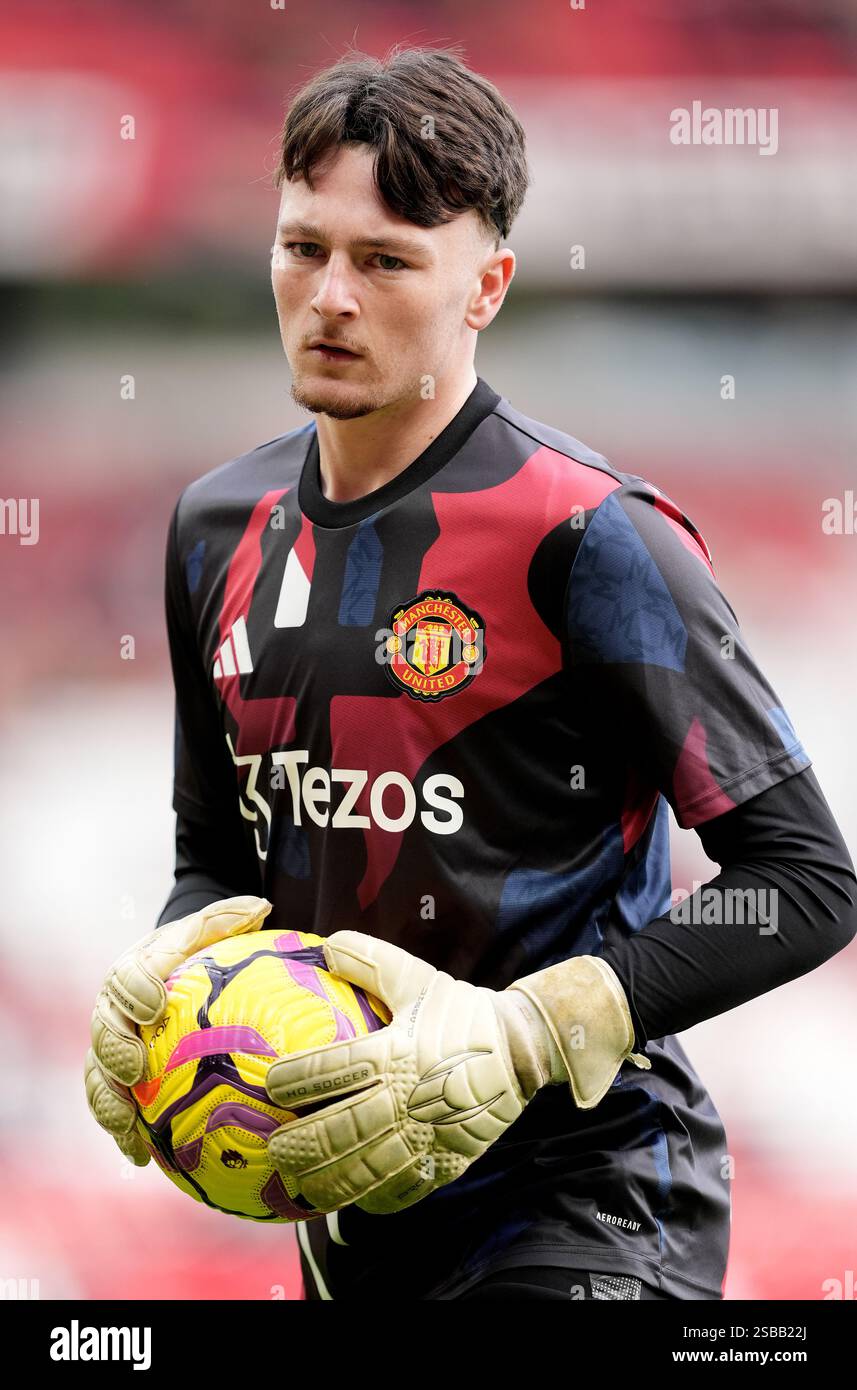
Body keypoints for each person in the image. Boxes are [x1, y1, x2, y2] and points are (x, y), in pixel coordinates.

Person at [85, 44, 856, 1303]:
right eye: (302, 248)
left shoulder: (588, 533)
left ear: (485, 285)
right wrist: (163, 974)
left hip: (592, 1209)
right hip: (346, 1223)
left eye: (385, 261)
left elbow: (805, 881)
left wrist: (535, 1026)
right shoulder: (211, 527)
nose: (331, 295)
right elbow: (221, 863)